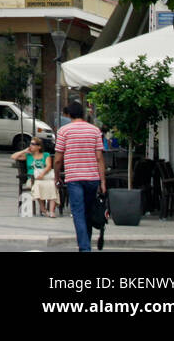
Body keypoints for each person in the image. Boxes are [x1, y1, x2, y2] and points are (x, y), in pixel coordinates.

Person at [55, 101, 106, 250]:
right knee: (88, 212)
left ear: (69, 114)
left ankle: (84, 247)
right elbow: (99, 158)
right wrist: (102, 181)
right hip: (92, 178)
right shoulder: (95, 131)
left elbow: (58, 159)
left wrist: (56, 176)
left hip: (74, 178)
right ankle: (85, 244)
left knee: (78, 213)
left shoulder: (64, 131)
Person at [11, 137, 57, 217]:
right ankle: (43, 209)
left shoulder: (46, 155)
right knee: (37, 185)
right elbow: (13, 157)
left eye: (33, 144)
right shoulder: (28, 156)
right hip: (32, 179)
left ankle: (51, 211)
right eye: (30, 144)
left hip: (44, 177)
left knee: (52, 185)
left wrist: (42, 174)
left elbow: (49, 166)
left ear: (39, 147)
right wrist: (25, 150)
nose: (31, 146)